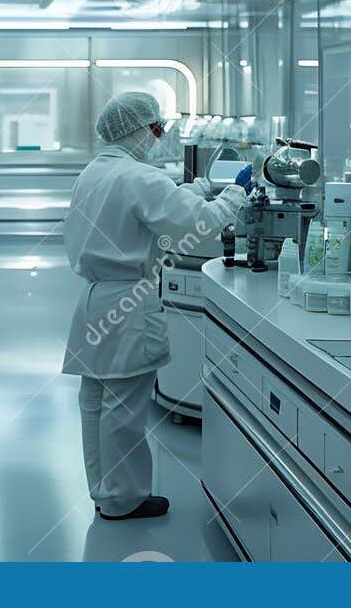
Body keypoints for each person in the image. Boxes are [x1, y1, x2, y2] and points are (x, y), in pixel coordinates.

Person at [63, 91, 248, 520]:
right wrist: (235, 195)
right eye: (156, 128)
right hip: (127, 303)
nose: (158, 136)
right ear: (138, 129)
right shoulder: (139, 178)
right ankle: (125, 499)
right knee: (125, 407)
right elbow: (198, 222)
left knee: (95, 401)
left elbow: (153, 204)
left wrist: (197, 187)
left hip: (94, 298)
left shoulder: (96, 172)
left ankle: (105, 491)